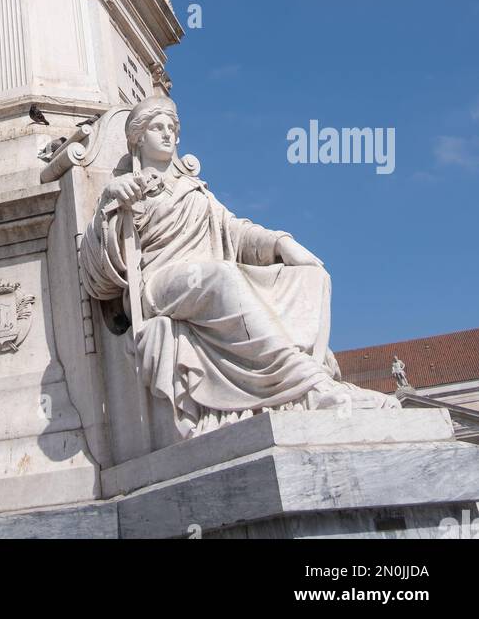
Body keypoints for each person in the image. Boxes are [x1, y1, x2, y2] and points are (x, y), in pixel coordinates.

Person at [80, 96, 398, 437]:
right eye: (158, 127)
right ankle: (310, 385)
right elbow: (99, 271)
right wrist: (111, 204)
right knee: (221, 276)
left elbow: (234, 230)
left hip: (203, 278)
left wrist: (280, 243)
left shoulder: (194, 190)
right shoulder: (125, 191)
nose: (169, 135)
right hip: (156, 285)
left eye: (173, 128)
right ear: (138, 137)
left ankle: (301, 381)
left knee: (308, 275)